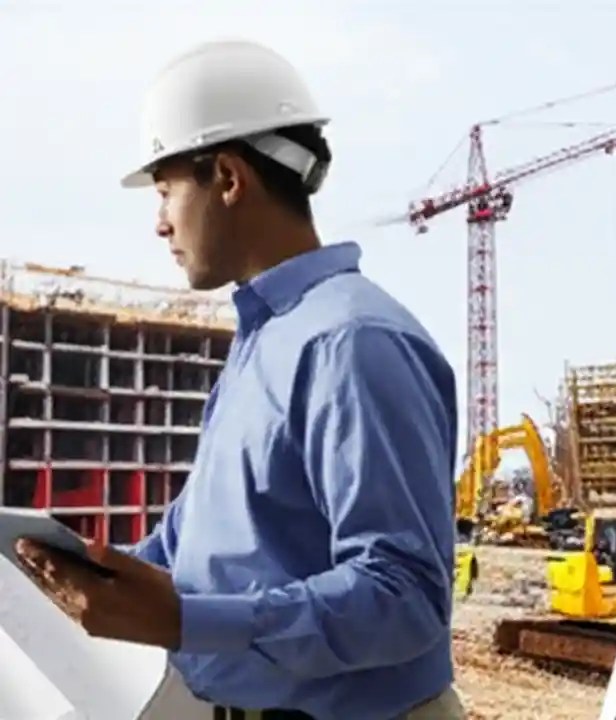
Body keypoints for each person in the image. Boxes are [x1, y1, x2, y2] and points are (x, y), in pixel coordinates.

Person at [13, 39, 465, 720]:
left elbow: (404, 596)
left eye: (166, 190)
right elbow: (200, 548)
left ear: (227, 177)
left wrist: (187, 621)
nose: (159, 221)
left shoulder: (353, 342)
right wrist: (94, 571)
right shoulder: (265, 339)